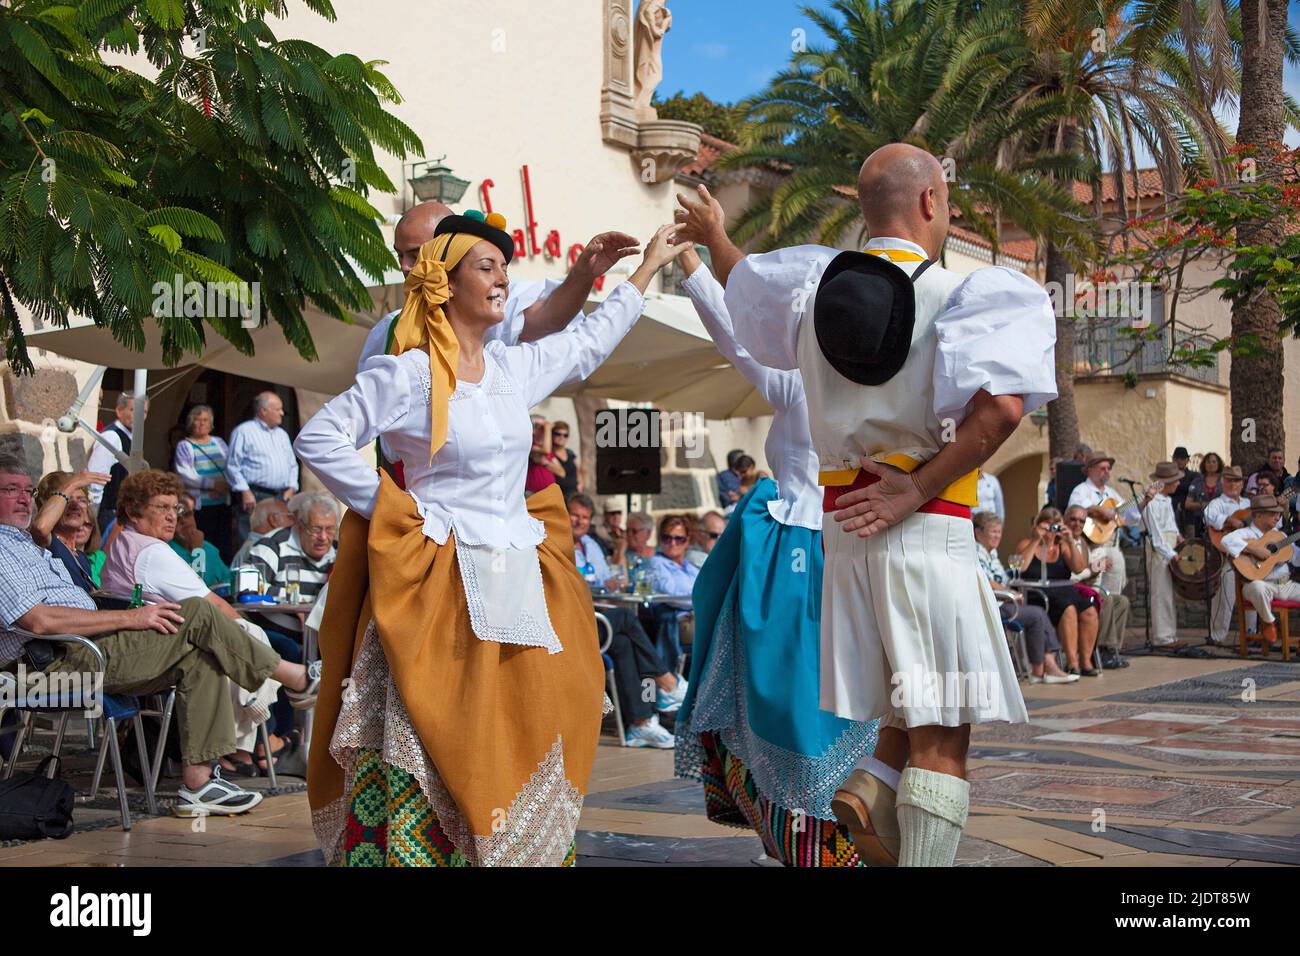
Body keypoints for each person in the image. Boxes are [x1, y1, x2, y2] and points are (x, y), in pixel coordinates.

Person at [677, 141, 1056, 867]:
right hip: (924, 525)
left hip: (843, 533)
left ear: (862, 207)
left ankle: (872, 781)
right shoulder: (968, 294)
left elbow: (748, 293)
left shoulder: (812, 298)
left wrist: (718, 241)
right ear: (930, 202)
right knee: (943, 736)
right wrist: (917, 485)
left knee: (900, 714)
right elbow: (1002, 411)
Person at [294, 214, 687, 866]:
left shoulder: (512, 367)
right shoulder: (409, 372)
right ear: (445, 284)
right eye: (486, 267)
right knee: (432, 733)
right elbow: (320, 439)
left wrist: (645, 270)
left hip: (513, 580)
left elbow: (589, 342)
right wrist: (403, 514)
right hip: (436, 587)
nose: (503, 277)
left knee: (525, 721)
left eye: (504, 267)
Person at [670, 247, 878, 866]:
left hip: (798, 551)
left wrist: (695, 264)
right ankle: (831, 829)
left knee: (786, 696)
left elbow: (736, 338)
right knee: (825, 697)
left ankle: (808, 832)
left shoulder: (799, 383)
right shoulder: (865, 387)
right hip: (842, 545)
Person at [0, 453, 318, 817]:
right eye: (11, 490)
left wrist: (68, 489)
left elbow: (42, 528)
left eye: (28, 490)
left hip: (86, 650)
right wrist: (132, 618)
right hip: (49, 664)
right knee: (197, 611)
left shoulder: (27, 543)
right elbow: (39, 621)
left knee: (202, 653)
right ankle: (294, 679)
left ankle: (200, 783)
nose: (24, 497)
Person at [98, 469, 291, 779]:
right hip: (156, 649)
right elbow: (211, 606)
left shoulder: (126, 542)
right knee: (252, 639)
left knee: (251, 641)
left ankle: (246, 742)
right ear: (134, 511)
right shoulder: (152, 552)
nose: (172, 516)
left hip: (145, 643)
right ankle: (252, 743)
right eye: (161, 507)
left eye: (175, 508)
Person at [568, 493, 684, 746]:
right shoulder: (557, 544)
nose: (579, 521)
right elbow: (570, 587)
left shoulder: (592, 545)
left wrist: (609, 583)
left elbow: (606, 577)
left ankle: (638, 724)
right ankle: (666, 682)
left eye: (585, 517)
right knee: (626, 619)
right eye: (575, 515)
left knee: (623, 642)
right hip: (573, 621)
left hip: (597, 615)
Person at [973, 512, 1076, 683]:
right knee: (1036, 614)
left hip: (1002, 601)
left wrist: (1011, 588)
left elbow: (1006, 577)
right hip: (992, 605)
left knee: (1038, 612)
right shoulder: (977, 552)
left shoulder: (991, 553)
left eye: (999, 531)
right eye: (993, 532)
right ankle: (1043, 669)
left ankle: (1042, 669)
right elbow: (986, 581)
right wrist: (1010, 593)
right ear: (978, 533)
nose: (998, 536)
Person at [1012, 508, 1101, 675]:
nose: (1050, 531)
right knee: (1068, 609)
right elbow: (1021, 567)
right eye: (1047, 526)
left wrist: (1069, 540)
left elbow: (1079, 567)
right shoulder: (1026, 544)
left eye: (1055, 526)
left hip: (1063, 591)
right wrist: (1036, 540)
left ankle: (1086, 662)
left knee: (1089, 610)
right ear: (1038, 525)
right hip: (1038, 593)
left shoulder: (1063, 546)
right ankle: (1072, 664)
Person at [246, 493, 337, 638]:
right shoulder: (272, 545)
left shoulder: (340, 552)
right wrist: (293, 602)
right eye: (316, 529)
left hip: (325, 640)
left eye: (330, 529)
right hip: (276, 638)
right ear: (300, 526)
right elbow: (248, 587)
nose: (323, 537)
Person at [1224, 495, 1300, 651]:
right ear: (1258, 515)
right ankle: (1268, 622)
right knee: (1257, 587)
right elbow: (1226, 541)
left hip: (1285, 584)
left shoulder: (1280, 536)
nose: (1277, 517)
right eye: (1273, 514)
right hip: (1260, 585)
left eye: (1278, 514)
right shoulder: (1244, 533)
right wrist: (1253, 549)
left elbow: (1297, 559)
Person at [226, 391, 298, 548]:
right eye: (277, 409)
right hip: (254, 495)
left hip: (280, 496)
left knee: (279, 539)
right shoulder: (244, 431)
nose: (281, 413)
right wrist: (245, 491)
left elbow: (292, 464)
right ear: (263, 411)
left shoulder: (282, 434)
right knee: (251, 540)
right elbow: (232, 466)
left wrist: (292, 487)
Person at [1063, 505, 1131, 668]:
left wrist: (1095, 569)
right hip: (1069, 589)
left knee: (1121, 601)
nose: (1077, 524)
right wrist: (1092, 570)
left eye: (1081, 521)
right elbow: (1071, 575)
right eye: (1073, 520)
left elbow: (1086, 571)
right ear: (1065, 520)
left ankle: (1111, 648)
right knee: (1104, 599)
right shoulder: (1063, 541)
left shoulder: (1083, 543)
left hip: (1083, 588)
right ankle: (1098, 651)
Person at [30, 470, 108, 592]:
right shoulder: (48, 545)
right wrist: (72, 484)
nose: (75, 505)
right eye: (68, 499)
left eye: (81, 500)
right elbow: (41, 527)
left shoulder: (80, 556)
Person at [173, 404, 233, 561]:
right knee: (204, 541)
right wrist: (212, 485)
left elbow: (230, 465)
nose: (201, 424)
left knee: (223, 543)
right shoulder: (184, 446)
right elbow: (185, 474)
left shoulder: (219, 442)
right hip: (202, 506)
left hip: (222, 502)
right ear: (191, 423)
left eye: (205, 420)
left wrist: (224, 486)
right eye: (198, 420)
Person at [1136, 461, 1186, 648]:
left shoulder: (1166, 500)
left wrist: (1179, 537)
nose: (1178, 484)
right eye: (1175, 481)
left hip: (1170, 545)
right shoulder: (1151, 502)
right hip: (1161, 550)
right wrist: (1170, 553)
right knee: (1160, 592)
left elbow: (1170, 524)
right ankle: (1162, 637)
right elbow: (1155, 534)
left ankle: (1170, 635)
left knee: (1169, 593)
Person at [88, 391, 147, 533]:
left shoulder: (132, 439)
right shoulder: (112, 436)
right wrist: (92, 517)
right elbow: (95, 479)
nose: (139, 416)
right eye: (134, 410)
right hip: (106, 515)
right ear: (119, 411)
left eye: (144, 412)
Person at [1205, 466, 1251, 645]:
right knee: (1225, 592)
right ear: (1223, 482)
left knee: (1251, 591)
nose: (1233, 484)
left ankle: (1251, 634)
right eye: (1229, 480)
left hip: (1247, 554)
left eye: (1237, 480)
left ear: (1242, 483)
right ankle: (1217, 635)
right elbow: (1207, 516)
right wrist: (1227, 520)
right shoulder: (1217, 503)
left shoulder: (1249, 504)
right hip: (1227, 555)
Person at [171, 494, 231, 592]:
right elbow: (195, 590)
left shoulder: (209, 549)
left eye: (187, 515)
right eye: (178, 519)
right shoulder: (168, 551)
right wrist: (197, 550)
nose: (184, 521)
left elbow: (228, 582)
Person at [230, 497, 294, 568]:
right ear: (273, 520)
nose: (294, 522)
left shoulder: (251, 547)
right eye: (289, 516)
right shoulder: (261, 549)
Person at [1184, 451, 1225, 535]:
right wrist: (1204, 505)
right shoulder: (1197, 481)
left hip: (1221, 520)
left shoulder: (1224, 480)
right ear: (1204, 464)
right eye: (1208, 462)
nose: (1211, 464)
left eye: (1214, 462)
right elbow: (1187, 504)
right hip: (1200, 520)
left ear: (1218, 464)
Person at [524, 415, 562, 495]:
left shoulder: (544, 446)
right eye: (540, 427)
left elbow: (562, 472)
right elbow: (546, 450)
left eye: (544, 428)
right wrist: (548, 428)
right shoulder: (529, 443)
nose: (544, 430)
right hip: (533, 494)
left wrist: (545, 462)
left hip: (549, 493)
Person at [549, 420, 580, 499]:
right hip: (558, 496)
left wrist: (580, 486)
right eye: (558, 434)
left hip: (574, 495)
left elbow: (578, 471)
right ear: (551, 434)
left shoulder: (570, 453)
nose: (562, 437)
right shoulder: (548, 453)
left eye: (565, 435)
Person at [1170, 446, 1194, 527]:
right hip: (1170, 515)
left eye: (1182, 458)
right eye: (1176, 458)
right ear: (1173, 459)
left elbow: (1193, 490)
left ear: (1187, 460)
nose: (1179, 461)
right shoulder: (1167, 476)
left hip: (1189, 517)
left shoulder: (1194, 476)